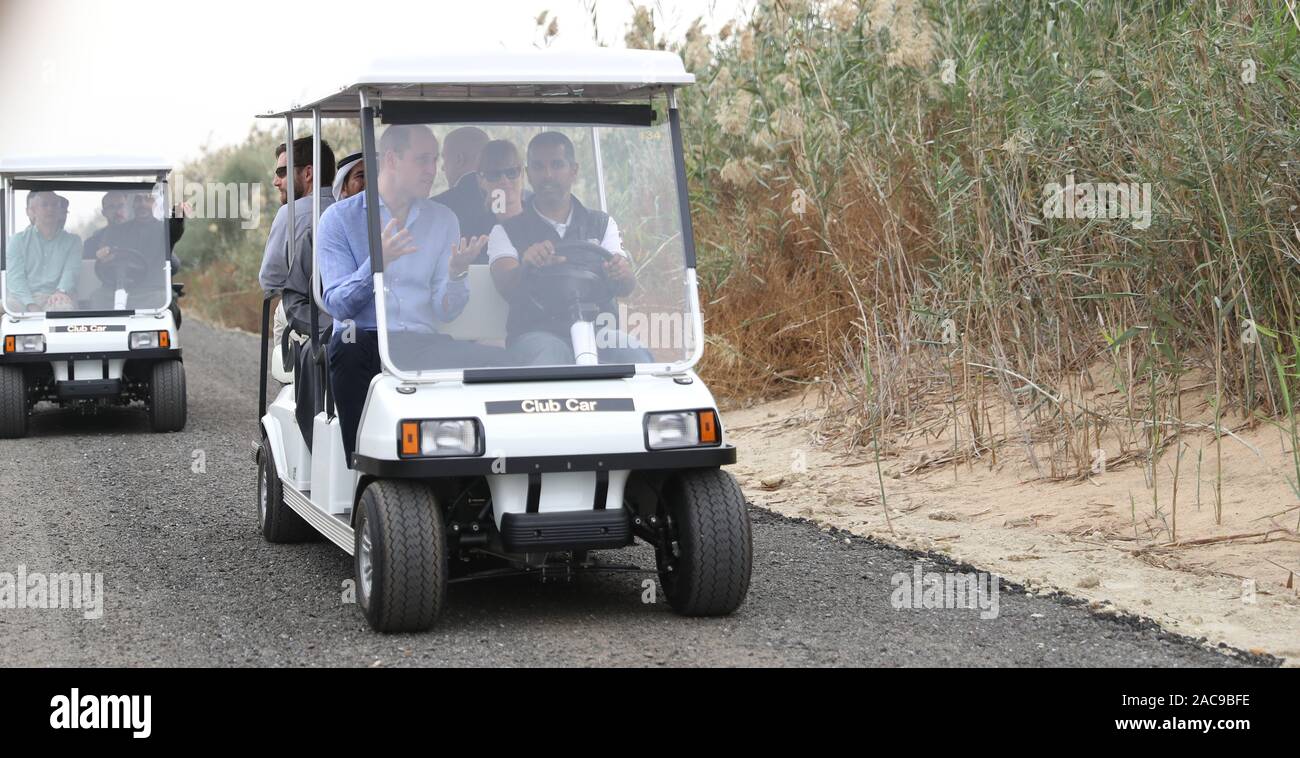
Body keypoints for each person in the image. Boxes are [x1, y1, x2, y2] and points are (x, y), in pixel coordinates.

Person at [318, 125, 502, 460]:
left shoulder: (443, 219)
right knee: (347, 347)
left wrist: (457, 272)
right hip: (365, 339)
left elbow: (445, 310)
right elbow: (338, 304)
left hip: (420, 342)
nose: (432, 169)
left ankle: (476, 468)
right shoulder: (338, 219)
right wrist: (378, 263)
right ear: (391, 159)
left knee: (497, 364)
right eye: (422, 160)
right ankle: (362, 465)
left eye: (434, 159)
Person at [486, 131, 650, 366]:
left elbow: (626, 287)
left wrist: (622, 273)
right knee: (549, 358)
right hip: (537, 334)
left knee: (634, 354)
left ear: (573, 170)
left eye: (557, 165)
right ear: (528, 174)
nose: (548, 174)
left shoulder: (602, 224)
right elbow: (505, 286)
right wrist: (526, 265)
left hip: (599, 333)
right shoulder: (506, 232)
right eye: (539, 167)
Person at [259, 137, 336, 358]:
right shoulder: (345, 209)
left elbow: (270, 281)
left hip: (309, 311)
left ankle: (292, 382)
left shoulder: (291, 213)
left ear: (308, 173)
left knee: (281, 310)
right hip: (345, 310)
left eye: (282, 172)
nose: (276, 181)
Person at [87, 189, 180, 309]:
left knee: (163, 300)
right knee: (97, 298)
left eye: (148, 200)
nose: (143, 204)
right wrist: (102, 258)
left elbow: (174, 262)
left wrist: (178, 218)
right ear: (133, 205)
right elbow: (99, 262)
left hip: (150, 291)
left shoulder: (162, 229)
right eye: (138, 200)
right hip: (116, 288)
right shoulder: (112, 233)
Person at [4, 192, 80, 312]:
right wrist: (30, 304)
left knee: (63, 307)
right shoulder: (17, 240)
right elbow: (15, 278)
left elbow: (71, 271)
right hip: (22, 298)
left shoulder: (73, 241)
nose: (50, 209)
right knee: (5, 306)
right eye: (44, 205)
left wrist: (61, 291)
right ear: (32, 212)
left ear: (61, 211)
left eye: (55, 205)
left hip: (56, 296)